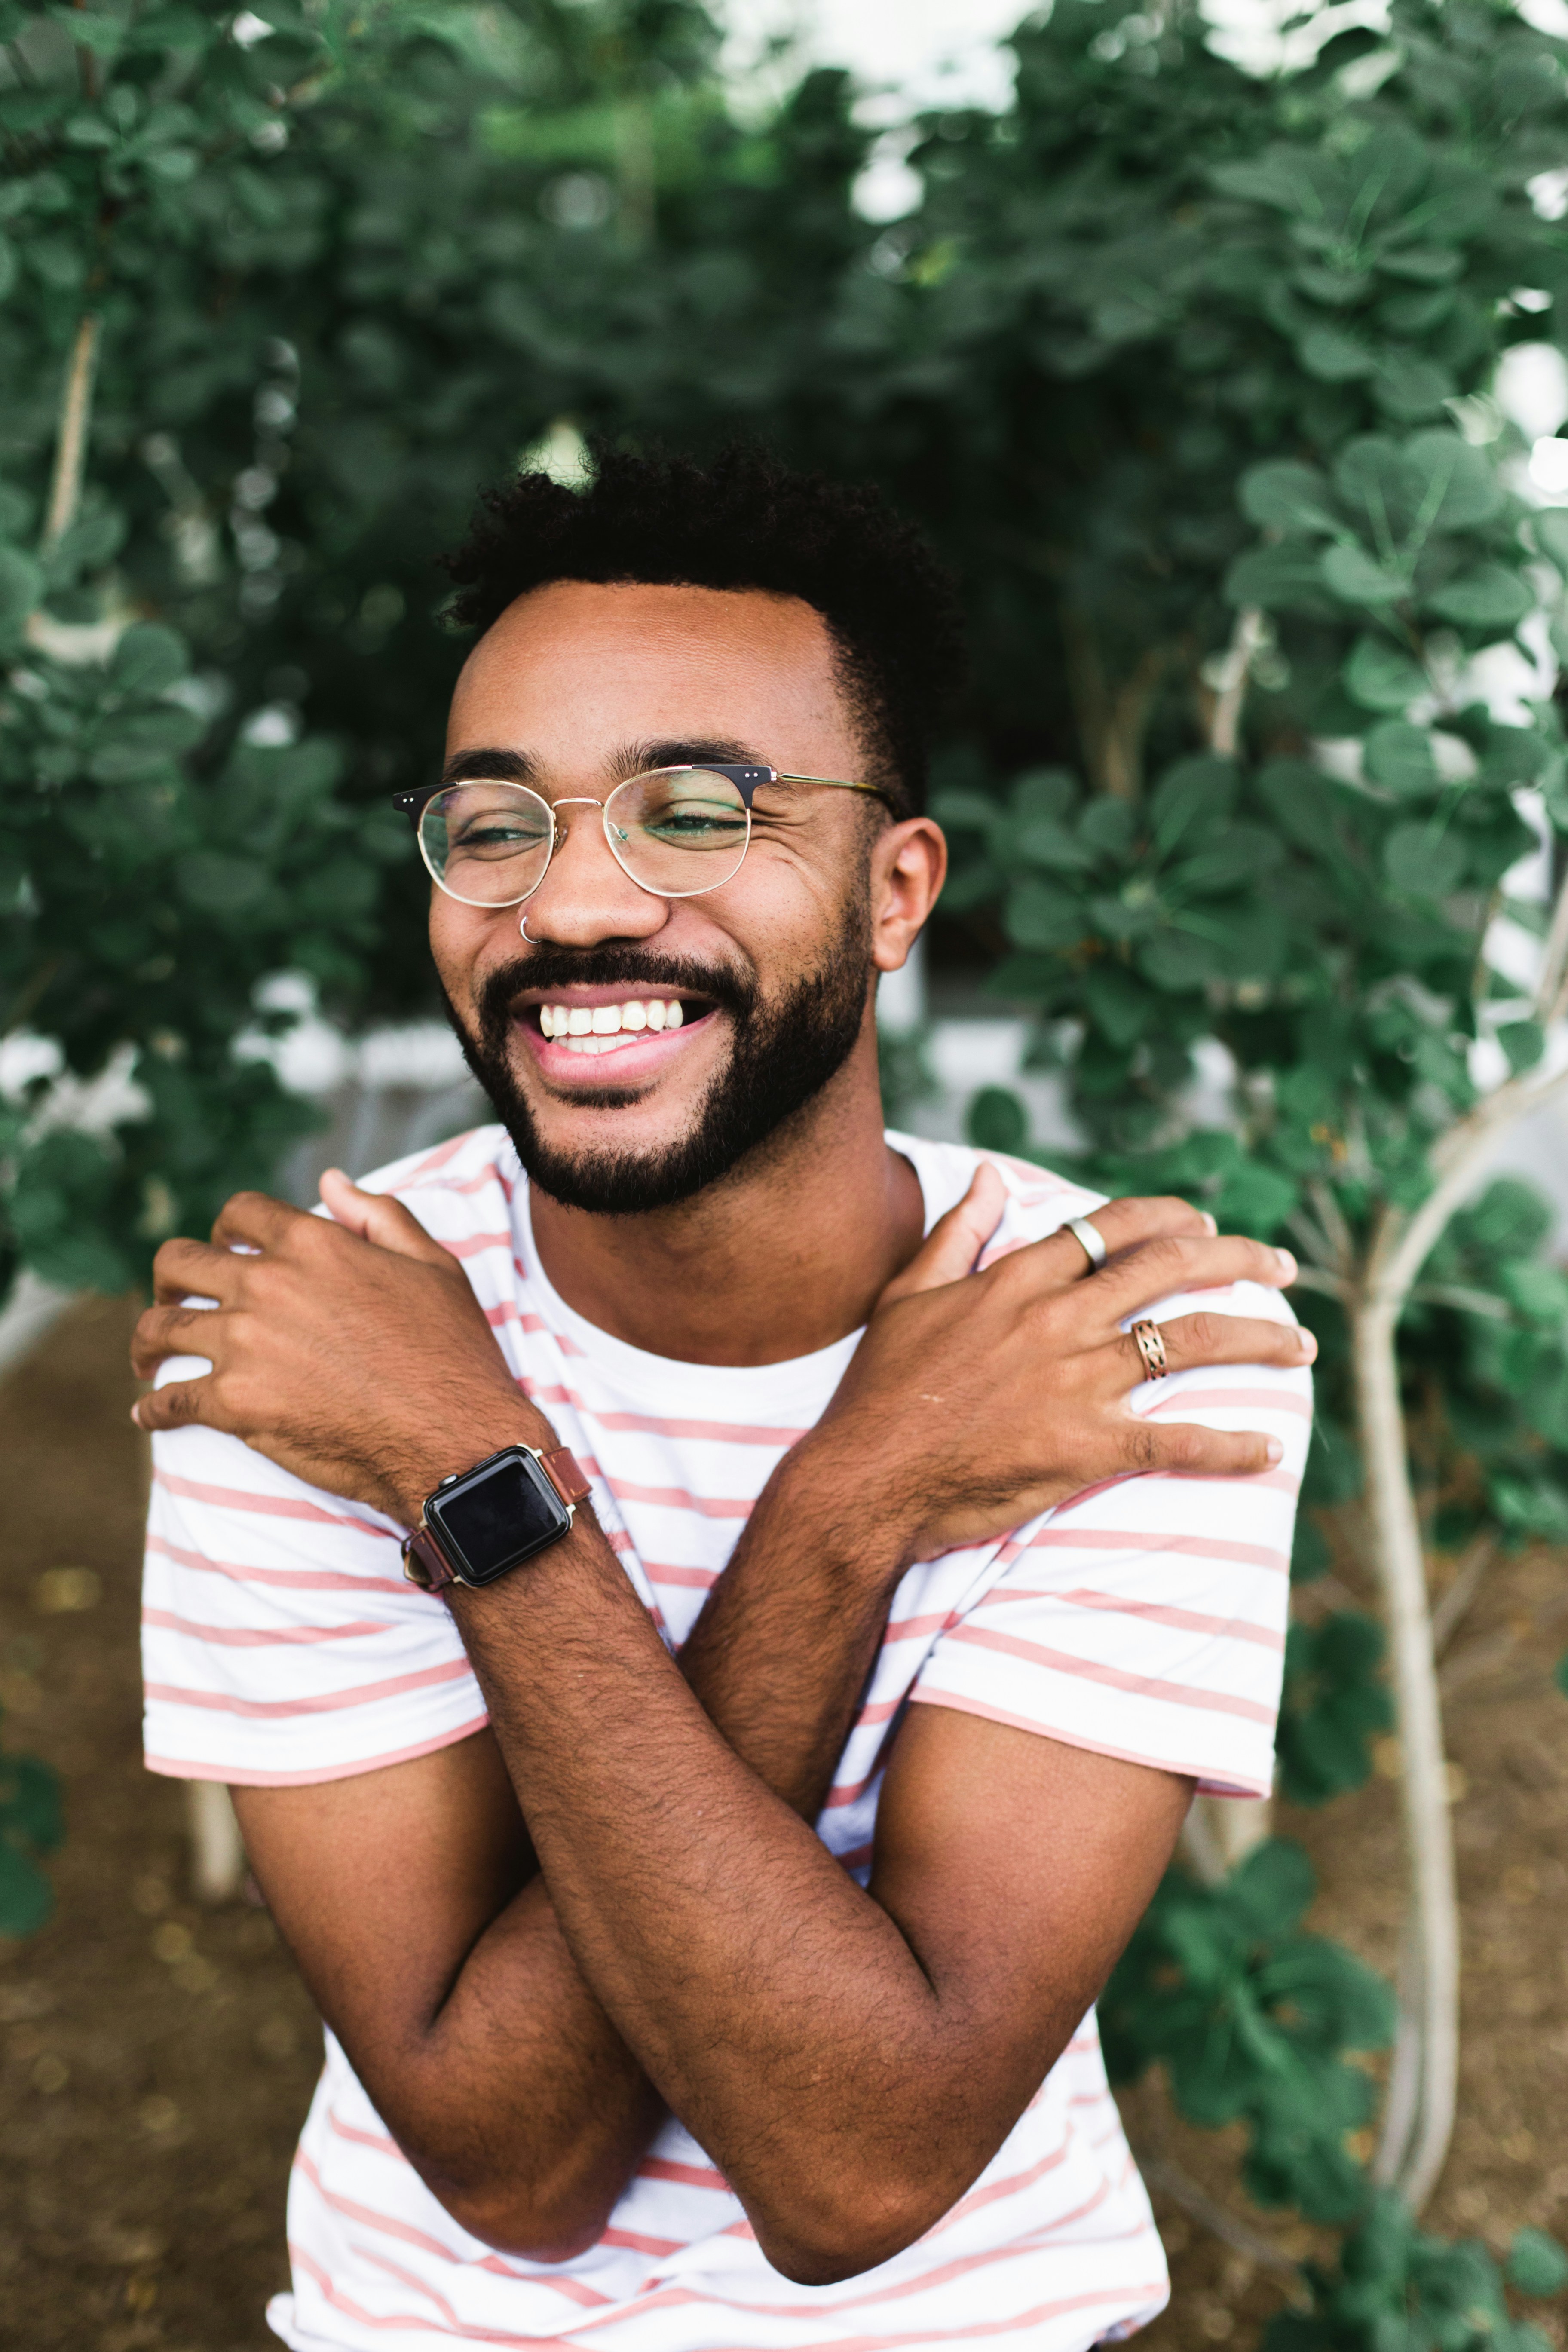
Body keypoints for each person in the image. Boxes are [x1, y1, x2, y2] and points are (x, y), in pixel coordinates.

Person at [132, 447, 1313, 2352]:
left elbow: (857, 2167)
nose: (577, 902)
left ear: (894, 886)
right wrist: (835, 1506)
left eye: (699, 809)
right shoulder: (323, 1354)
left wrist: (507, 1493)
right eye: (496, 825)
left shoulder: (1120, 1340)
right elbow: (513, 2165)